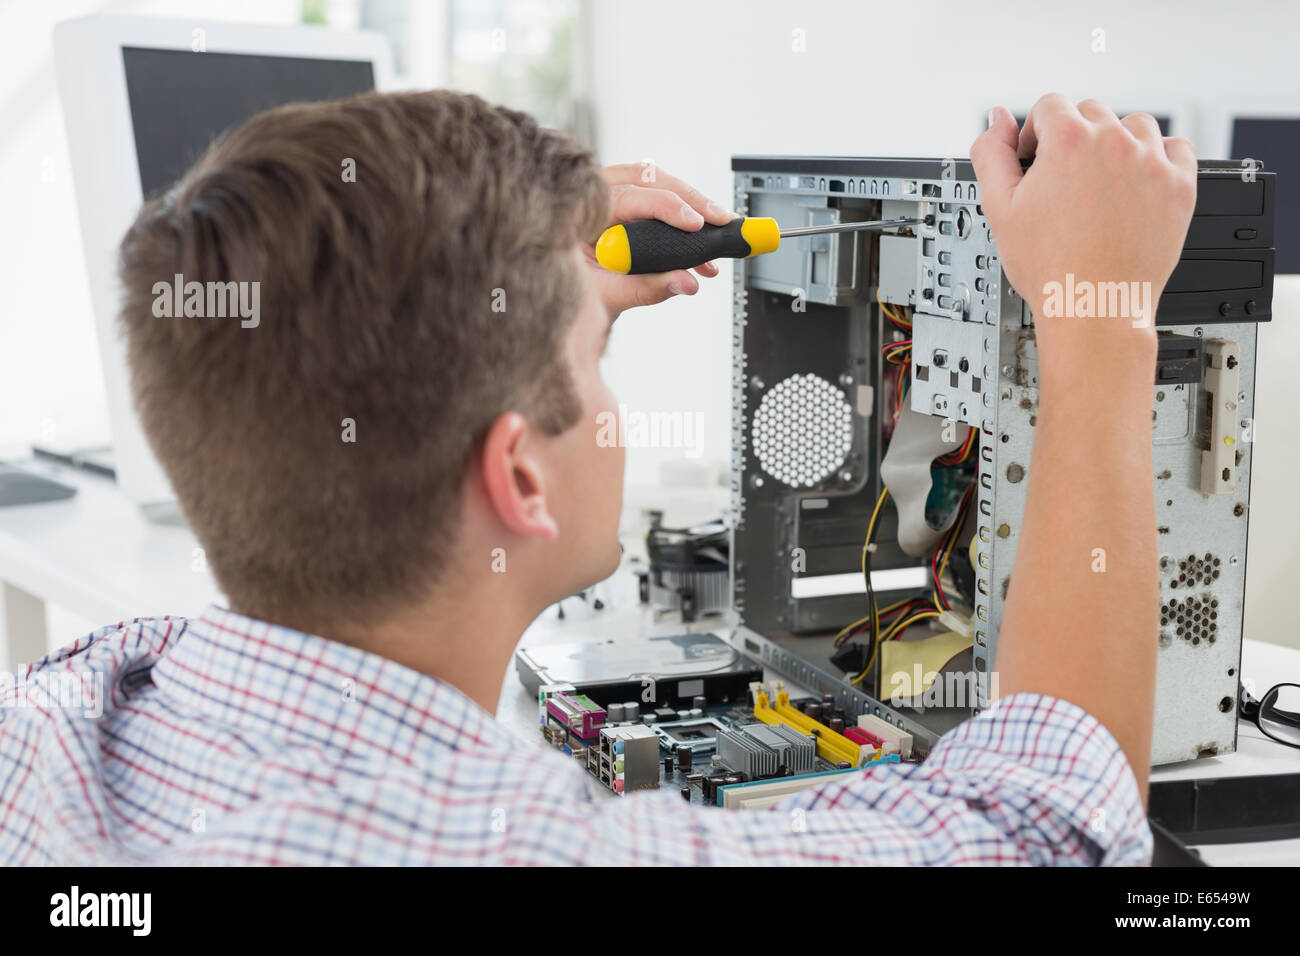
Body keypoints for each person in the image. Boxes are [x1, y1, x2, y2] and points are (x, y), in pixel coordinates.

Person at [0, 91, 1194, 865]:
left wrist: (513, 301)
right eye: (595, 354)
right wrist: (1100, 313)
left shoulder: (60, 714)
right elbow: (1054, 814)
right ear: (517, 472)